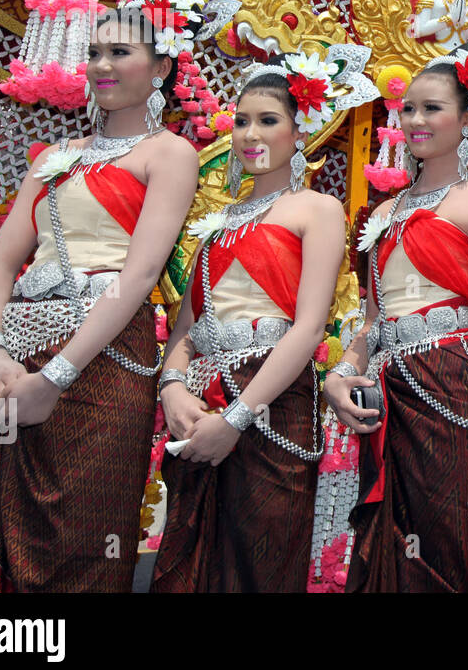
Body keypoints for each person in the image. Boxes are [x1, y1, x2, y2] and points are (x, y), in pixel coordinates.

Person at [0, 0, 212, 591]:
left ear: (160, 69)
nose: (102, 65)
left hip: (102, 362)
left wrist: (56, 379)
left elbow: (137, 278)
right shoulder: (54, 157)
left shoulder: (170, 153)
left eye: (120, 52)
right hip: (8, 357)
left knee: (79, 531)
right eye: (95, 53)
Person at [151, 43, 372, 592]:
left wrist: (237, 419)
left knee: (262, 561)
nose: (250, 135)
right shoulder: (213, 221)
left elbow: (308, 327)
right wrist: (174, 389)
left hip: (272, 406)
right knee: (188, 558)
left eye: (268, 121)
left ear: (301, 130)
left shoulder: (316, 210)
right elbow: (186, 328)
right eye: (242, 121)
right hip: (200, 403)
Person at [328, 44, 468, 591]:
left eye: (433, 109)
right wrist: (338, 375)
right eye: (408, 109)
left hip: (454, 386)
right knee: (384, 553)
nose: (416, 121)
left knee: (449, 552)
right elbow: (372, 320)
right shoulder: (383, 212)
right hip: (386, 397)